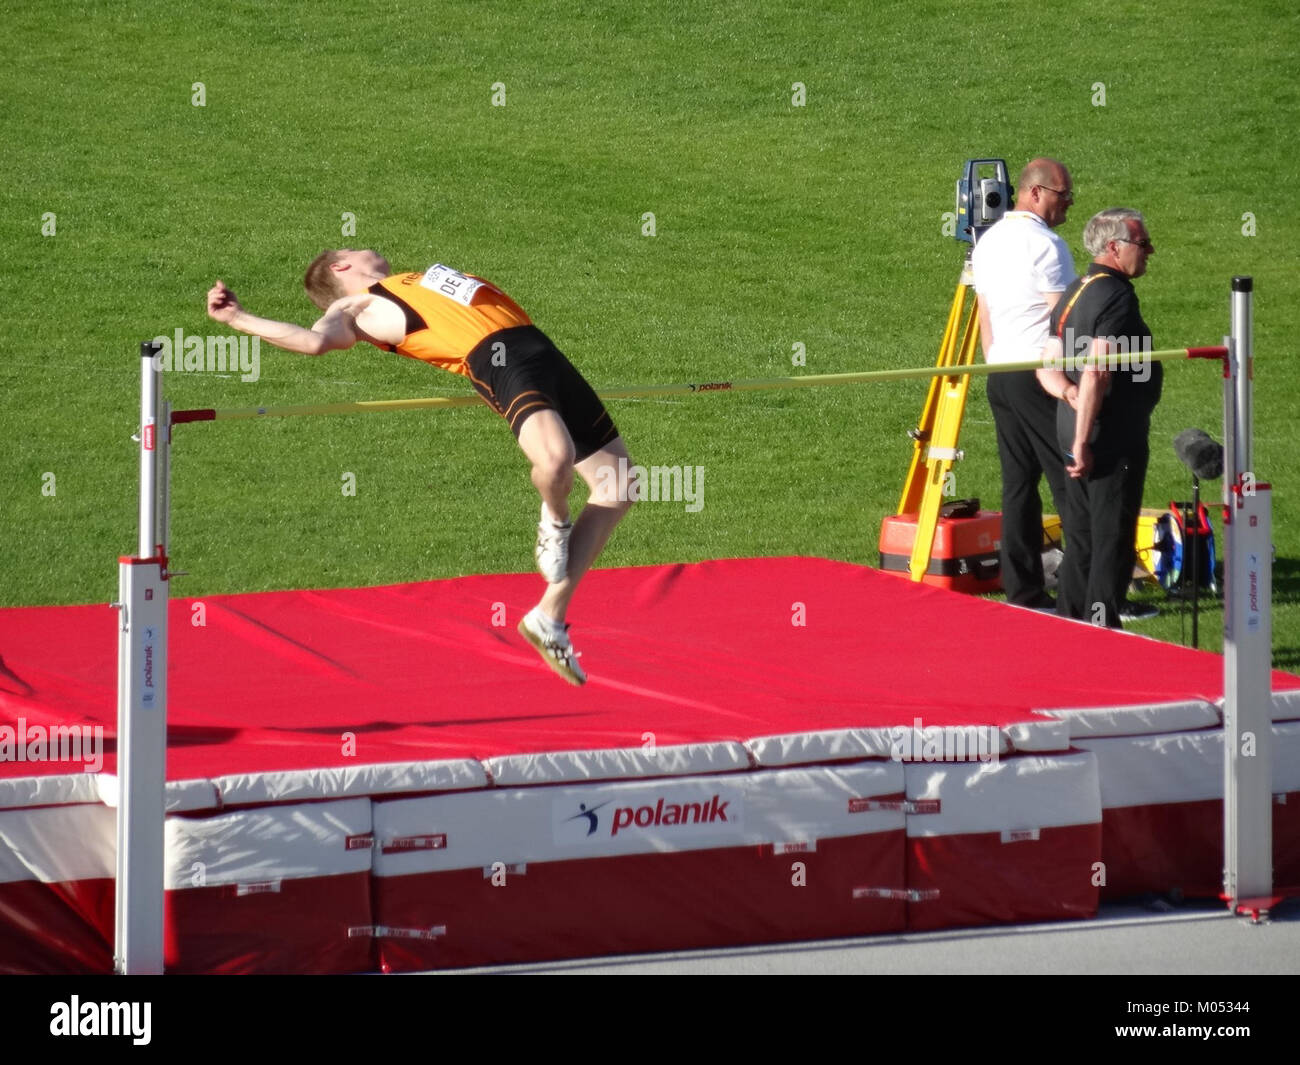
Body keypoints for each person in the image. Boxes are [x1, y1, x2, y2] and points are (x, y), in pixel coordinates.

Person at [206, 250, 633, 685]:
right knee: (555, 459)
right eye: (349, 249)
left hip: (541, 350)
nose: (362, 248)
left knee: (617, 485)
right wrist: (238, 318)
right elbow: (313, 342)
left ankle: (549, 616)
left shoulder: (416, 278)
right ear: (339, 267)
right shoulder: (356, 306)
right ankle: (554, 523)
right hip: (502, 360)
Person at [1035, 208, 1160, 627]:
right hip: (1105, 438)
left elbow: (1045, 365)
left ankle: (1069, 622)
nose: (1149, 251)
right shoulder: (1116, 295)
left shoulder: (1076, 290)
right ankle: (1102, 628)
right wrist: (1083, 442)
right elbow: (1098, 370)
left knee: (1083, 538)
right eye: (1142, 244)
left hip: (1072, 426)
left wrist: (1066, 393)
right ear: (1114, 247)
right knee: (1111, 539)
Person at [970, 157, 1077, 610]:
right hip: (1041, 375)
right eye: (1062, 196)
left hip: (1003, 373)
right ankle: (1090, 589)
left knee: (1018, 486)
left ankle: (1024, 592)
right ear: (1035, 192)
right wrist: (1073, 383)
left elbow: (985, 316)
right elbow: (1069, 320)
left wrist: (994, 363)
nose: (1068, 206)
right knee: (1071, 480)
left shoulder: (987, 243)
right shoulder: (1047, 246)